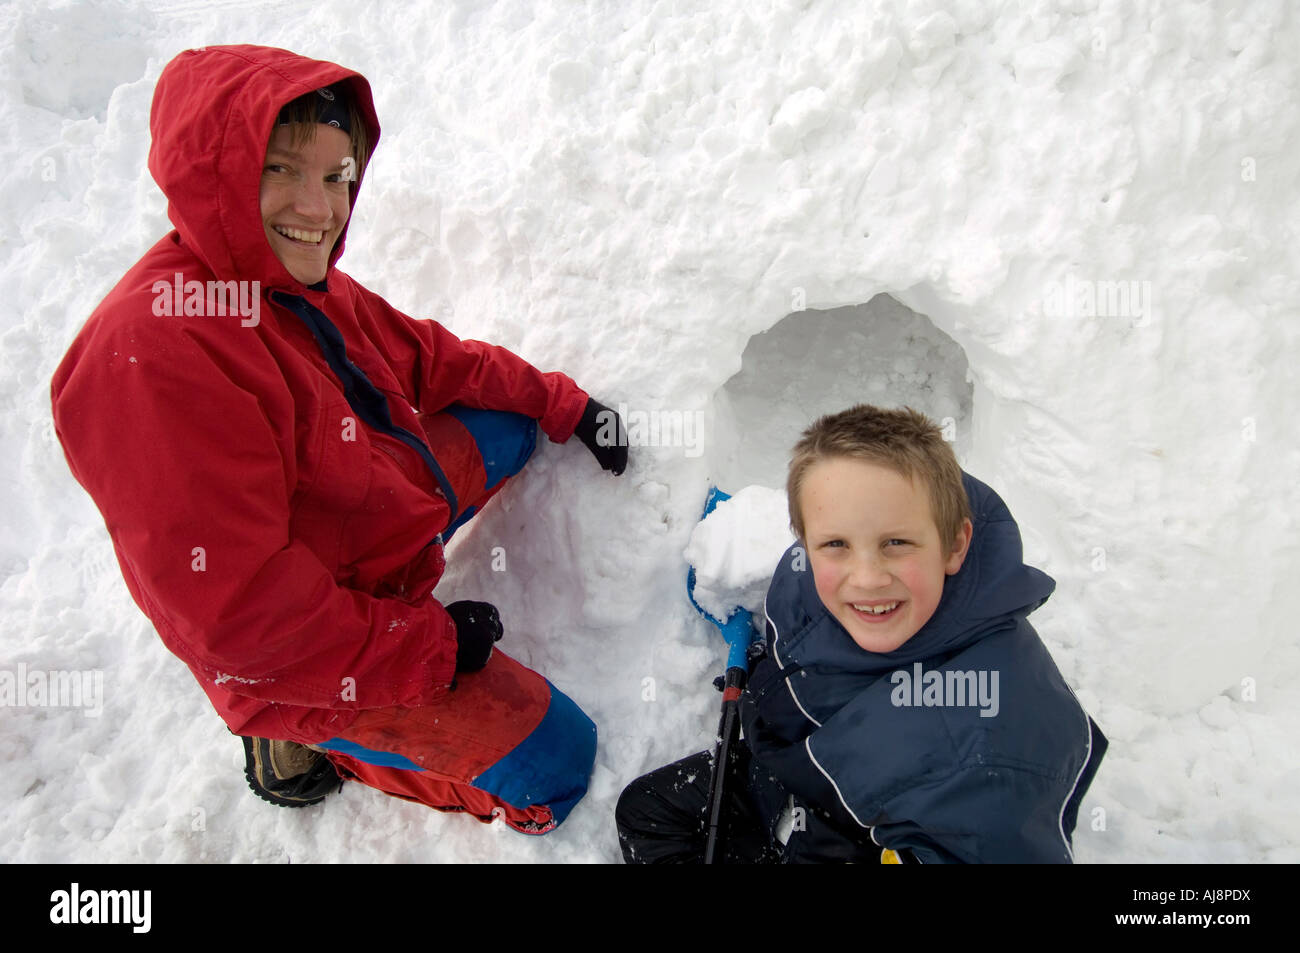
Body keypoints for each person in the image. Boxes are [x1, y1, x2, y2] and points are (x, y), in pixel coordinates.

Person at [51, 44, 628, 835]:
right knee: (561, 768)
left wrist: (564, 403)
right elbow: (244, 619)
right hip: (298, 658)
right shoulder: (157, 354)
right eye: (281, 170)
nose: (319, 207)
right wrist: (428, 647)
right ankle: (318, 747)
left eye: (335, 175)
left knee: (513, 423)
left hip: (369, 539)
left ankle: (387, 638)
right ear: (212, 174)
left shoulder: (296, 283)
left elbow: (427, 360)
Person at [617, 404, 1107, 862]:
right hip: (796, 774)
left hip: (858, 831)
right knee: (644, 814)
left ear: (955, 544)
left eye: (896, 543)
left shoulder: (984, 756)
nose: (867, 576)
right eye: (835, 544)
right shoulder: (815, 573)